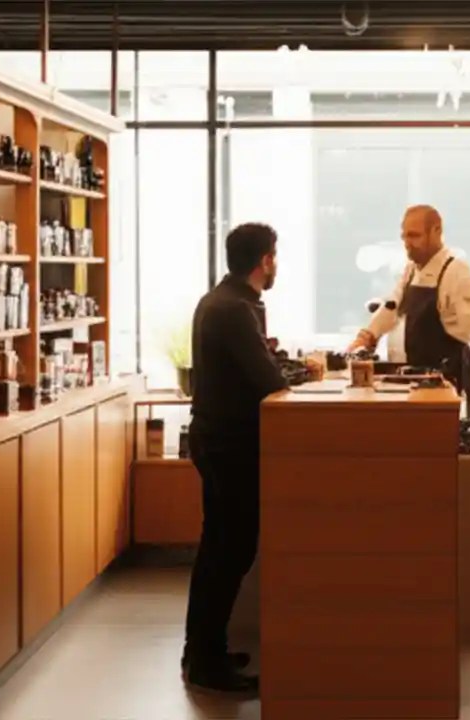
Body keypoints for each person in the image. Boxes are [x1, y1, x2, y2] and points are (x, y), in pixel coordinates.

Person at [181, 222, 288, 695]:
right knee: (228, 552)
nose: (276, 264)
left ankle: (204, 650)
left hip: (217, 441)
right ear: (264, 260)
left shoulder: (220, 301)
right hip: (229, 447)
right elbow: (268, 380)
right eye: (275, 256)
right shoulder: (235, 310)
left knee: (220, 549)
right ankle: (205, 660)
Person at [349, 205, 470, 381]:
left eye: (415, 236)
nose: (407, 243)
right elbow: (392, 307)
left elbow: (466, 331)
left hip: (443, 382)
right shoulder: (411, 270)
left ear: (436, 231)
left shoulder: (456, 271)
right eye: (405, 236)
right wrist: (366, 337)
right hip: (413, 379)